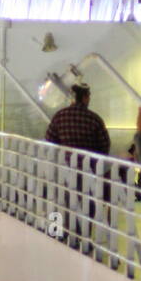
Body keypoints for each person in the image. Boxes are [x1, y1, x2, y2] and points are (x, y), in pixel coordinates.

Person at [44, 83, 110, 252]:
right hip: (88, 172)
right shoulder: (94, 119)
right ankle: (81, 241)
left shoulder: (60, 116)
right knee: (86, 207)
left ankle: (58, 236)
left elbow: (50, 141)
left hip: (65, 169)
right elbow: (104, 147)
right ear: (85, 97)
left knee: (61, 203)